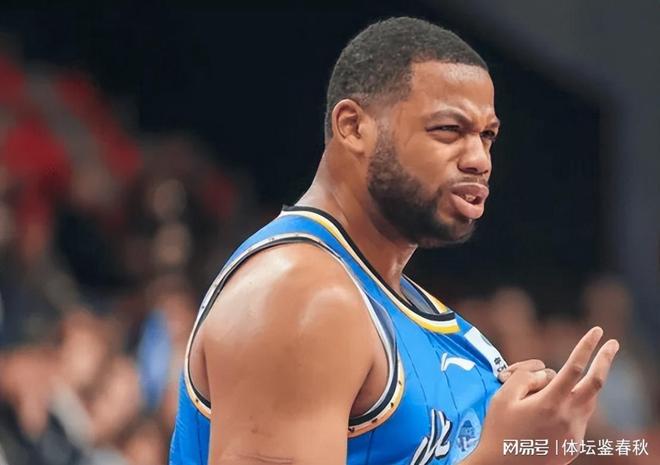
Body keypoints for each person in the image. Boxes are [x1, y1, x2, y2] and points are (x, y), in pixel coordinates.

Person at [169, 17, 619, 465]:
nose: (479, 159)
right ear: (353, 127)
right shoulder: (299, 294)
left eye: (487, 136)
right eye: (449, 130)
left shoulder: (398, 303)